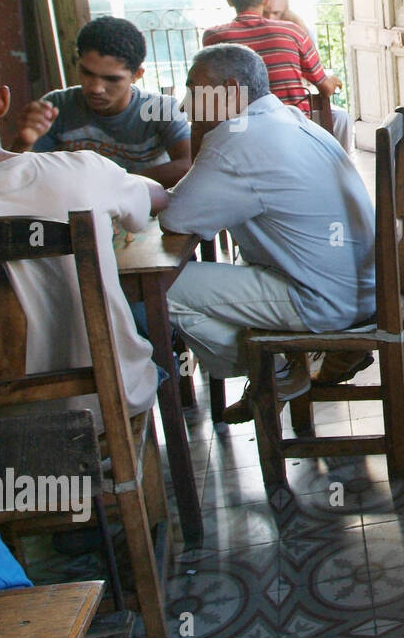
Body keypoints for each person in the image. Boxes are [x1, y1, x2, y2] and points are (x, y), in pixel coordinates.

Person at [161, 44, 375, 421]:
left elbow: (176, 219)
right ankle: (293, 360)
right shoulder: (289, 117)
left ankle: (275, 370)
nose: (184, 105)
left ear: (228, 89)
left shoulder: (235, 140)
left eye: (193, 90)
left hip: (324, 299)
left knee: (161, 288)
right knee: (234, 271)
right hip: (366, 287)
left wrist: (202, 133)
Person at [0, 45, 163, 419]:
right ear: (2, 100)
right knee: (152, 339)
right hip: (98, 405)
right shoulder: (79, 171)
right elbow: (154, 199)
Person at [9, 16, 190, 187]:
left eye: (111, 79)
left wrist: (113, 184)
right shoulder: (55, 106)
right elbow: (13, 178)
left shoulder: (162, 109)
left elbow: (188, 164)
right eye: (87, 73)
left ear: (137, 75)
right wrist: (23, 142)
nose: (96, 88)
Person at [202, 0, 336, 119]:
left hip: (240, 131)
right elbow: (325, 88)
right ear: (265, 0)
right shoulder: (292, 31)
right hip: (291, 127)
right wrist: (333, 81)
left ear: (230, 1)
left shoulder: (213, 38)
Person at [263, 0, 354, 153]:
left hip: (290, 111)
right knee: (340, 119)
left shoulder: (295, 31)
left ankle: (341, 168)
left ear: (286, 12)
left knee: (341, 118)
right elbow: (323, 85)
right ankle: (339, 170)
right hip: (288, 114)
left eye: (276, 13)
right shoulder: (287, 32)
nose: (270, 19)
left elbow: (314, 67)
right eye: (266, 13)